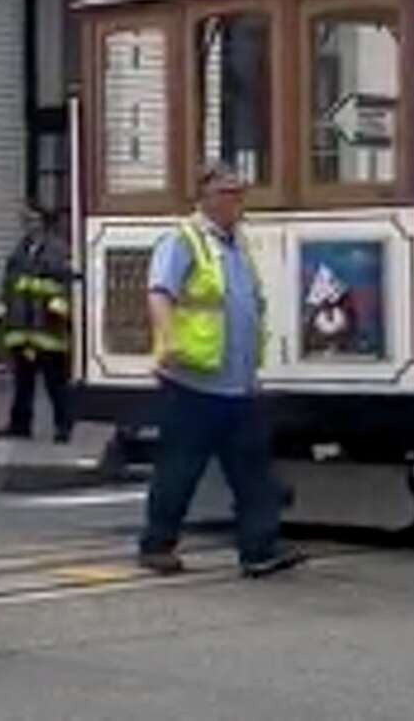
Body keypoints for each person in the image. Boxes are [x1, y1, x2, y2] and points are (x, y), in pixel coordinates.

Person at [137, 162, 304, 580]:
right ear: (206, 198)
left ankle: (259, 551)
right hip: (194, 381)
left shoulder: (237, 245)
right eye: (228, 193)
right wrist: (168, 340)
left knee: (253, 474)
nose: (237, 201)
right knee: (179, 470)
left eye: (240, 193)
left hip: (237, 384)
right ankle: (157, 545)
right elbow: (159, 292)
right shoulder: (184, 239)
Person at [0, 208, 75, 443]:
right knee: (22, 384)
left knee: (55, 383)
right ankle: (20, 425)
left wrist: (59, 314)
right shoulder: (18, 252)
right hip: (22, 330)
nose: (28, 225)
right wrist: (0, 317)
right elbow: (8, 286)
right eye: (25, 220)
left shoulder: (58, 250)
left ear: (43, 223)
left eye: (33, 220)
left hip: (48, 330)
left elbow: (66, 284)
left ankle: (63, 426)